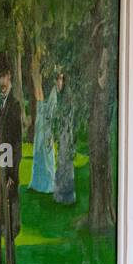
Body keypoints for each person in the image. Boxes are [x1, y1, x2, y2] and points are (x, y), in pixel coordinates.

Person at [0, 58, 23, 264]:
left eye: (4, 76)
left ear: (10, 75)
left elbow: (16, 144)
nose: (1, 81)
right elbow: (1, 141)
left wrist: (12, 173)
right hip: (0, 169)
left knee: (10, 223)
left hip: (9, 172)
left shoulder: (14, 105)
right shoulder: (2, 104)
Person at [28, 60, 56, 194]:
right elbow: (39, 99)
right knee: (40, 150)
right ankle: (40, 182)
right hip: (43, 120)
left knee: (47, 152)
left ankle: (48, 182)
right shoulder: (42, 93)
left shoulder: (53, 91)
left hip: (47, 123)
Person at [53, 70, 77, 206]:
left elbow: (68, 118)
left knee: (66, 162)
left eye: (61, 80)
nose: (58, 83)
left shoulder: (67, 97)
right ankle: (61, 194)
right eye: (57, 80)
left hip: (67, 134)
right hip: (63, 133)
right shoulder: (60, 96)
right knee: (62, 162)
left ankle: (66, 195)